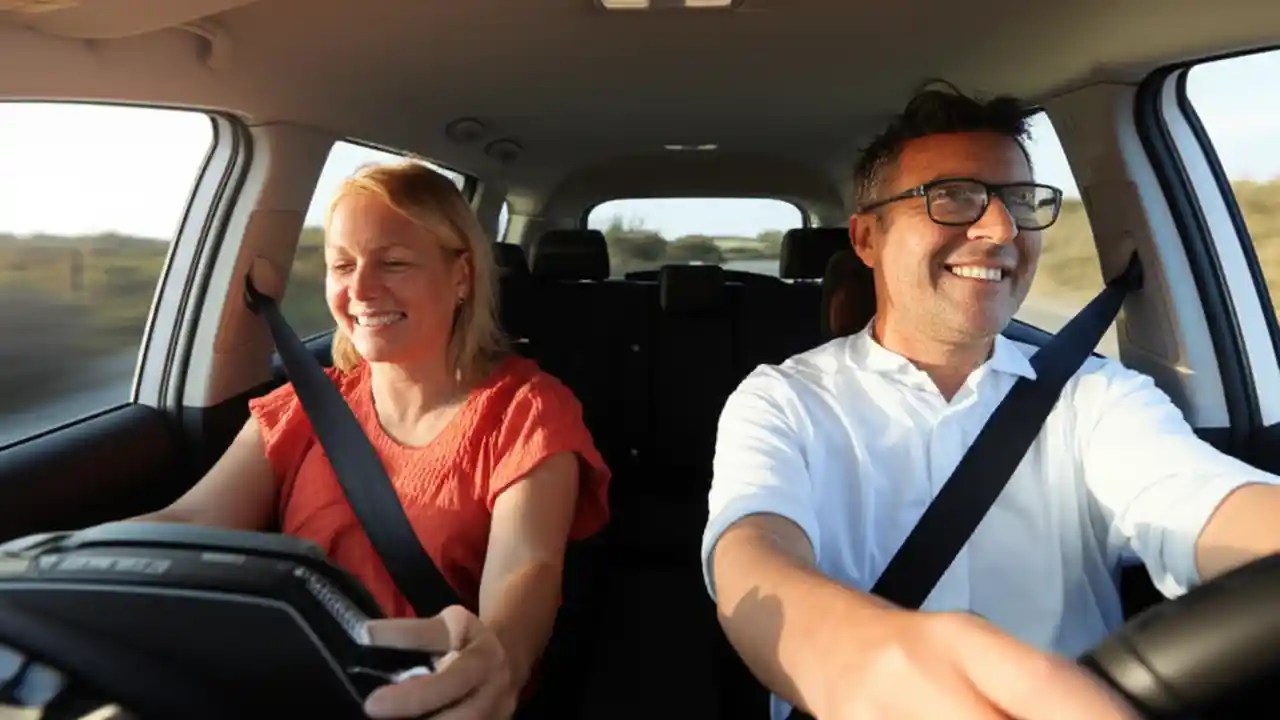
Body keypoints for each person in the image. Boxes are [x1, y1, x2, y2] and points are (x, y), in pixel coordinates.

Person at [702, 87, 1280, 720]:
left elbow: (1201, 501)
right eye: (950, 197)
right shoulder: (785, 400)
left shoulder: (1095, 396)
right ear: (867, 238)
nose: (1001, 229)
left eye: (1020, 201)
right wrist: (851, 655)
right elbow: (751, 552)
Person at [130, 161, 611, 717]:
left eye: (394, 262)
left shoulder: (527, 411)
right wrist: (43, 559)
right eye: (342, 265)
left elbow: (529, 566)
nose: (359, 289)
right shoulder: (305, 406)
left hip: (436, 701)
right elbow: (192, 521)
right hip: (294, 687)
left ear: (462, 277)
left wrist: (499, 655)